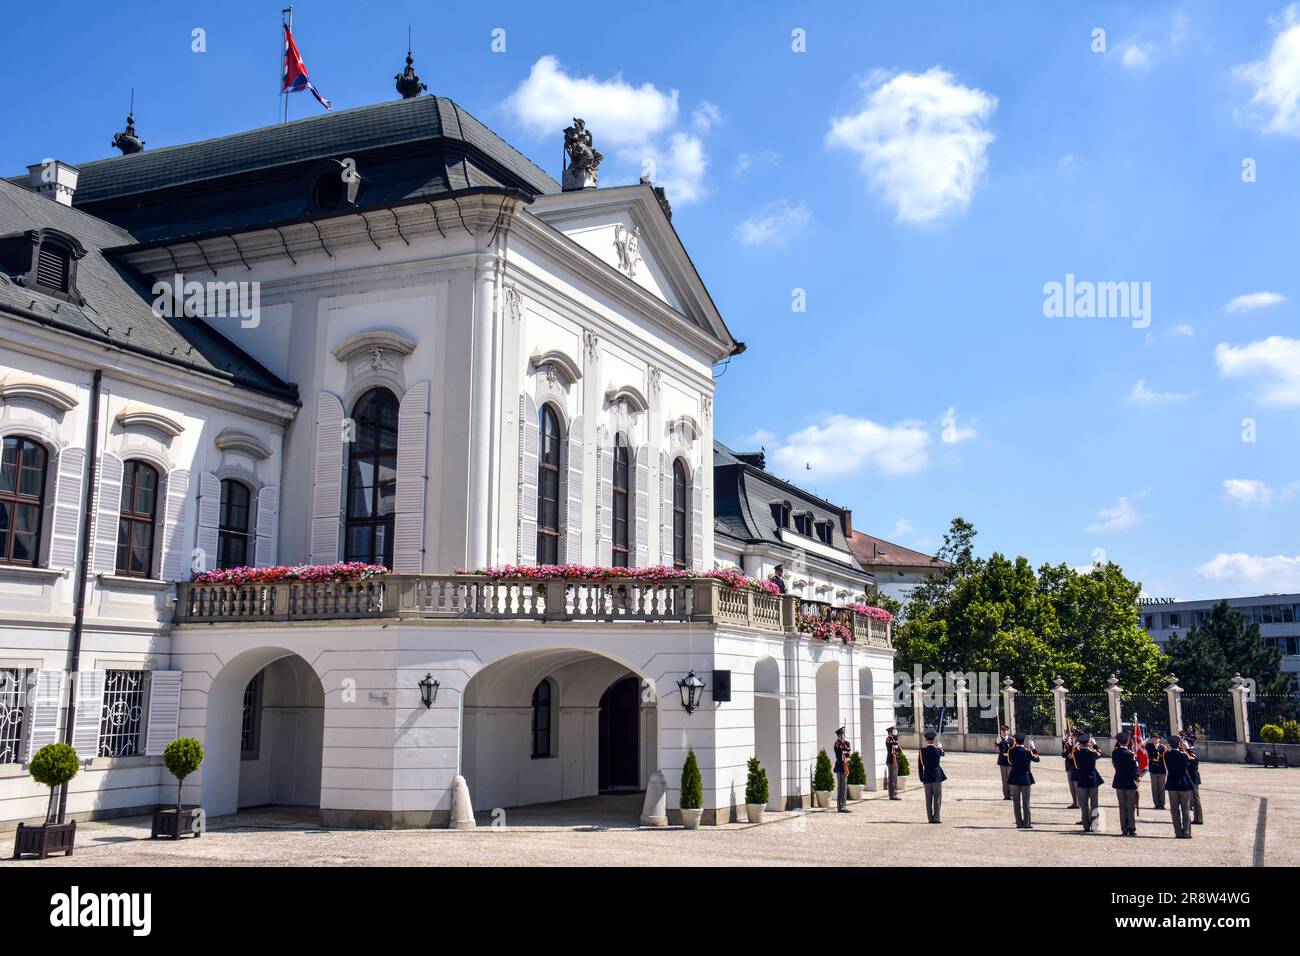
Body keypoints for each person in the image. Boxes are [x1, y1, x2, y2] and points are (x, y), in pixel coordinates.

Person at [1163, 734, 1197, 838]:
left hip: (1172, 784)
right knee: (1185, 809)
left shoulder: (1167, 755)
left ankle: (1178, 832)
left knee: (1174, 810)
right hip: (1184, 784)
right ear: (1179, 744)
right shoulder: (1184, 755)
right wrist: (1187, 748)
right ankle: (1186, 832)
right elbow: (1195, 761)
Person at [1070, 732, 1105, 833]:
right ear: (1088, 743)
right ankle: (1094, 825)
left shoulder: (1076, 753)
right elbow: (1100, 753)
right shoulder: (1092, 752)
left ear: (1080, 743)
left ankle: (1086, 825)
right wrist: (1094, 745)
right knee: (1094, 804)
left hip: (1082, 780)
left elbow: (1076, 766)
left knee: (1084, 804)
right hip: (1093, 780)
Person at [1007, 732, 1040, 829]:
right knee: (1026, 802)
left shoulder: (1011, 751)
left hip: (1014, 778)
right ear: (1024, 741)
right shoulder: (1027, 751)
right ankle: (1027, 823)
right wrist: (1033, 748)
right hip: (1025, 778)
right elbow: (1037, 759)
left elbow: (1010, 762)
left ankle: (1018, 823)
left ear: (1015, 741)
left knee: (1016, 802)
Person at [1111, 731, 1140, 837]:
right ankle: (1131, 828)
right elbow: (1135, 770)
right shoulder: (1131, 754)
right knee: (1130, 807)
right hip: (1130, 783)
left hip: (1119, 781)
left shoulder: (1115, 753)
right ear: (1127, 742)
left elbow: (1115, 765)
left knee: (1122, 807)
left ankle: (1124, 828)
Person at [918, 730, 947, 823]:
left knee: (928, 799)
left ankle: (930, 818)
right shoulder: (937, 750)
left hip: (926, 777)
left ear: (926, 740)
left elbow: (920, 765)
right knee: (937, 798)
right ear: (934, 740)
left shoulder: (922, 751)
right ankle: (936, 817)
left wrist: (921, 778)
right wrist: (940, 747)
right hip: (936, 777)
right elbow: (943, 753)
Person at [1184, 732, 1204, 825]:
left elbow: (1192, 761)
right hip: (1190, 776)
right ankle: (1196, 817)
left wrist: (1187, 749)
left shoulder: (1193, 751)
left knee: (1195, 799)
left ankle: (1199, 818)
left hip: (1193, 777)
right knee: (1192, 799)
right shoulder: (1189, 752)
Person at [1145, 731, 1167, 810]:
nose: (1155, 739)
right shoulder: (1149, 746)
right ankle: (1156, 803)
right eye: (1154, 738)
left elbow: (1165, 759)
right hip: (1153, 769)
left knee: (1161, 788)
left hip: (1161, 770)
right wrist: (1148, 738)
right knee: (1154, 788)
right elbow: (1142, 744)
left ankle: (1162, 803)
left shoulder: (1163, 747)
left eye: (1157, 738)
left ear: (1159, 739)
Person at [833, 727, 852, 813]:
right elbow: (844, 750)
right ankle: (841, 806)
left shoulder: (843, 744)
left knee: (843, 787)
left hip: (844, 767)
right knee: (841, 787)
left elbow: (848, 754)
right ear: (839, 735)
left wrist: (847, 746)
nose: (843, 736)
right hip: (840, 767)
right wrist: (846, 746)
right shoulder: (837, 744)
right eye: (842, 734)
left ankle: (843, 805)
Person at [1062, 728, 1080, 810]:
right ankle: (1074, 802)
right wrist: (1065, 742)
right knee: (1071, 785)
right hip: (1069, 766)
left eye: (1072, 735)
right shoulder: (1068, 744)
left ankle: (1078, 802)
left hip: (1075, 767)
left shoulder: (1079, 745)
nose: (1071, 737)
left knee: (1076, 786)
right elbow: (1063, 754)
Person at [995, 724, 1014, 800]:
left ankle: (1011, 793)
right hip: (1002, 761)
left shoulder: (1011, 739)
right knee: (1004, 779)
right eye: (1003, 731)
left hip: (1009, 760)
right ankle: (1006, 795)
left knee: (1010, 778)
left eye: (1005, 731)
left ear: (1007, 731)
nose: (1004, 732)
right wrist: (997, 741)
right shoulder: (999, 739)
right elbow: (995, 744)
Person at [884, 726, 901, 800]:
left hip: (894, 759)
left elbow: (897, 749)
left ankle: (894, 793)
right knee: (891, 779)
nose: (895, 732)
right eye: (894, 731)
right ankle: (892, 795)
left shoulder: (892, 739)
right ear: (890, 732)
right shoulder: (889, 739)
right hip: (891, 760)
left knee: (894, 778)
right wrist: (896, 737)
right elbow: (894, 744)